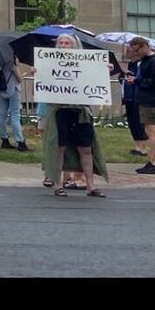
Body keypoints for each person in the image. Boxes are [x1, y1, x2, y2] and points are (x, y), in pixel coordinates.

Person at [45, 33, 106, 198]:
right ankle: (59, 185)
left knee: (86, 149)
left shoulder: (86, 63)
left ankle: (91, 186)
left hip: (80, 111)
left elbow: (95, 80)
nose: (64, 45)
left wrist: (103, 70)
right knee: (59, 148)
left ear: (74, 46)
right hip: (61, 110)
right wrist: (38, 71)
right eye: (61, 43)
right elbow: (44, 84)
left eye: (67, 43)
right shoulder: (50, 63)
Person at [123, 36, 155, 175]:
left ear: (145, 46)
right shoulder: (146, 61)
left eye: (137, 50)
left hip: (150, 100)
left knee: (151, 132)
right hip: (147, 99)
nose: (136, 53)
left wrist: (138, 81)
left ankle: (153, 162)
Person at [0, 59, 29, 151]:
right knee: (15, 115)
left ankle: (4, 139)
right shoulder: (12, 61)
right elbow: (19, 78)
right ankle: (20, 141)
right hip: (14, 89)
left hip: (2, 89)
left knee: (2, 115)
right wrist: (25, 74)